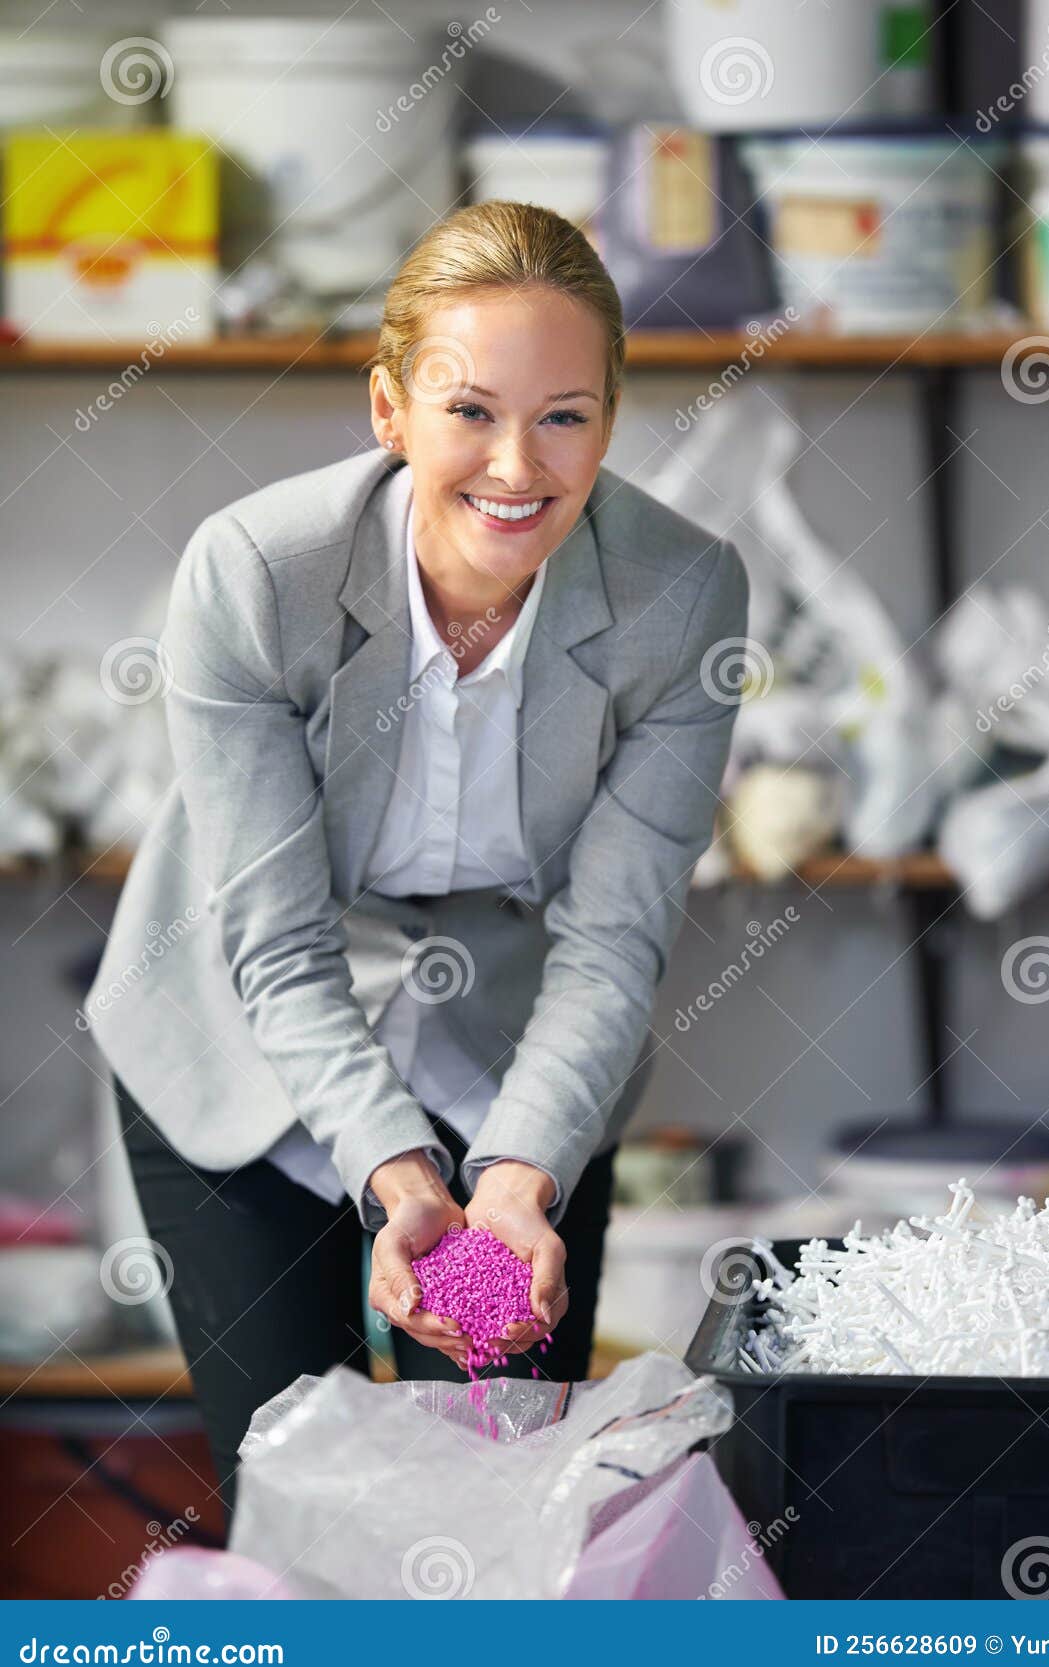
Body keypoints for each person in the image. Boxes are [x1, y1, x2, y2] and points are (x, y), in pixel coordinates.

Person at [87, 199, 749, 1517]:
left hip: (519, 1058)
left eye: (565, 413)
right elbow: (274, 942)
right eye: (470, 410)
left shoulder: (684, 593)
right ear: (389, 408)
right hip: (242, 1050)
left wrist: (509, 1178)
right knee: (303, 1498)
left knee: (510, 1492)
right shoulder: (258, 573)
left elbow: (616, 935)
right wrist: (396, 1173)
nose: (518, 463)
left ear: (612, 421)